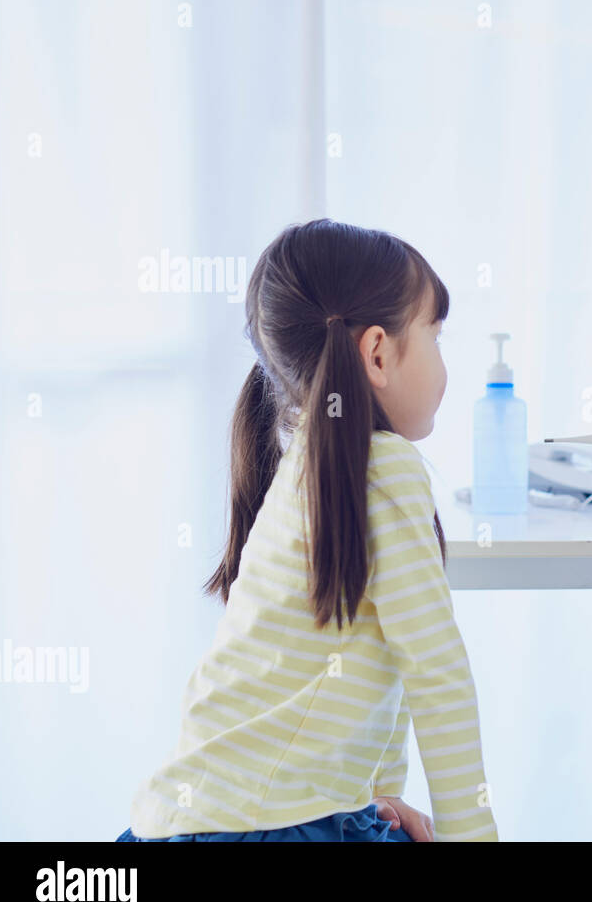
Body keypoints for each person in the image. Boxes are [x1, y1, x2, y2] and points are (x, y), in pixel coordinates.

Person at [116, 219, 496, 842]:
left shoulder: (317, 465)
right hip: (267, 828)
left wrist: (380, 798)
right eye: (435, 333)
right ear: (377, 352)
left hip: (210, 823)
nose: (443, 361)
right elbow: (437, 674)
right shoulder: (384, 468)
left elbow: (383, 653)